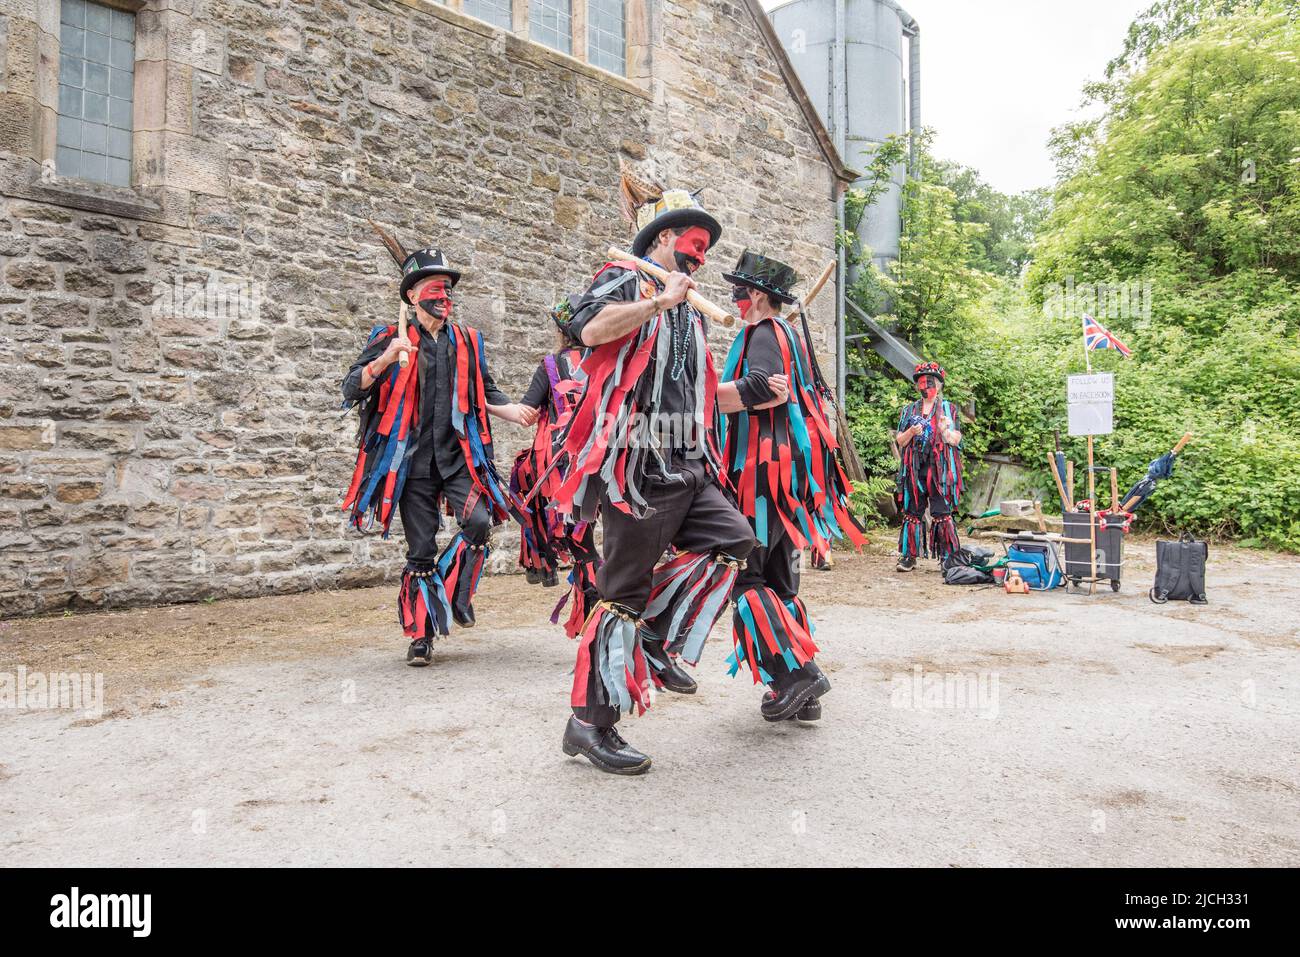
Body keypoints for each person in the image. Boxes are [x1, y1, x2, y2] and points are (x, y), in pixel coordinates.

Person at [555, 178, 756, 775]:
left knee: (734, 540)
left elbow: (692, 395)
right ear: (664, 238)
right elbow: (590, 332)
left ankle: (655, 637)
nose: (700, 256)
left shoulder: (691, 314)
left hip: (689, 463)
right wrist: (659, 300)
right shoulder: (628, 280)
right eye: (692, 244)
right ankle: (589, 725)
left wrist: (746, 394)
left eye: (706, 250)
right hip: (634, 466)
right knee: (621, 595)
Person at [341, 246, 537, 665]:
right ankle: (421, 635)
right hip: (409, 465)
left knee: (480, 523)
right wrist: (384, 361)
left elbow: (486, 392)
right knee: (421, 550)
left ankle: (455, 595)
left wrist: (512, 411)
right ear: (412, 296)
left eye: (448, 289)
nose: (444, 297)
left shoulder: (467, 341)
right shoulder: (388, 338)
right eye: (435, 288)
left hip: (458, 458)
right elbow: (351, 388)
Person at [718, 250, 867, 722]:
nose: (734, 300)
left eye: (739, 292)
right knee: (780, 580)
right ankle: (807, 692)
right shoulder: (785, 334)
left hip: (759, 476)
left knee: (745, 577)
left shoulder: (763, 333)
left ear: (757, 295)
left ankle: (792, 678)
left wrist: (705, 397)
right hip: (786, 480)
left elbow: (763, 387)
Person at [510, 300, 600, 637]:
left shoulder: (551, 365)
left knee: (523, 483)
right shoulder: (608, 362)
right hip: (610, 464)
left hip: (565, 468)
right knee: (585, 537)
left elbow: (526, 411)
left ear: (561, 331)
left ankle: (542, 561)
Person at [894, 361, 964, 571]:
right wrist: (911, 432)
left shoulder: (948, 409)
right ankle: (909, 556)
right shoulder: (909, 410)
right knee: (912, 511)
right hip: (915, 468)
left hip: (939, 469)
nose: (927, 385)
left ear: (940, 385)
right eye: (923, 382)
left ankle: (948, 557)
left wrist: (944, 431)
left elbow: (956, 439)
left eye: (931, 382)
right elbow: (900, 440)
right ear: (917, 386)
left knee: (942, 511)